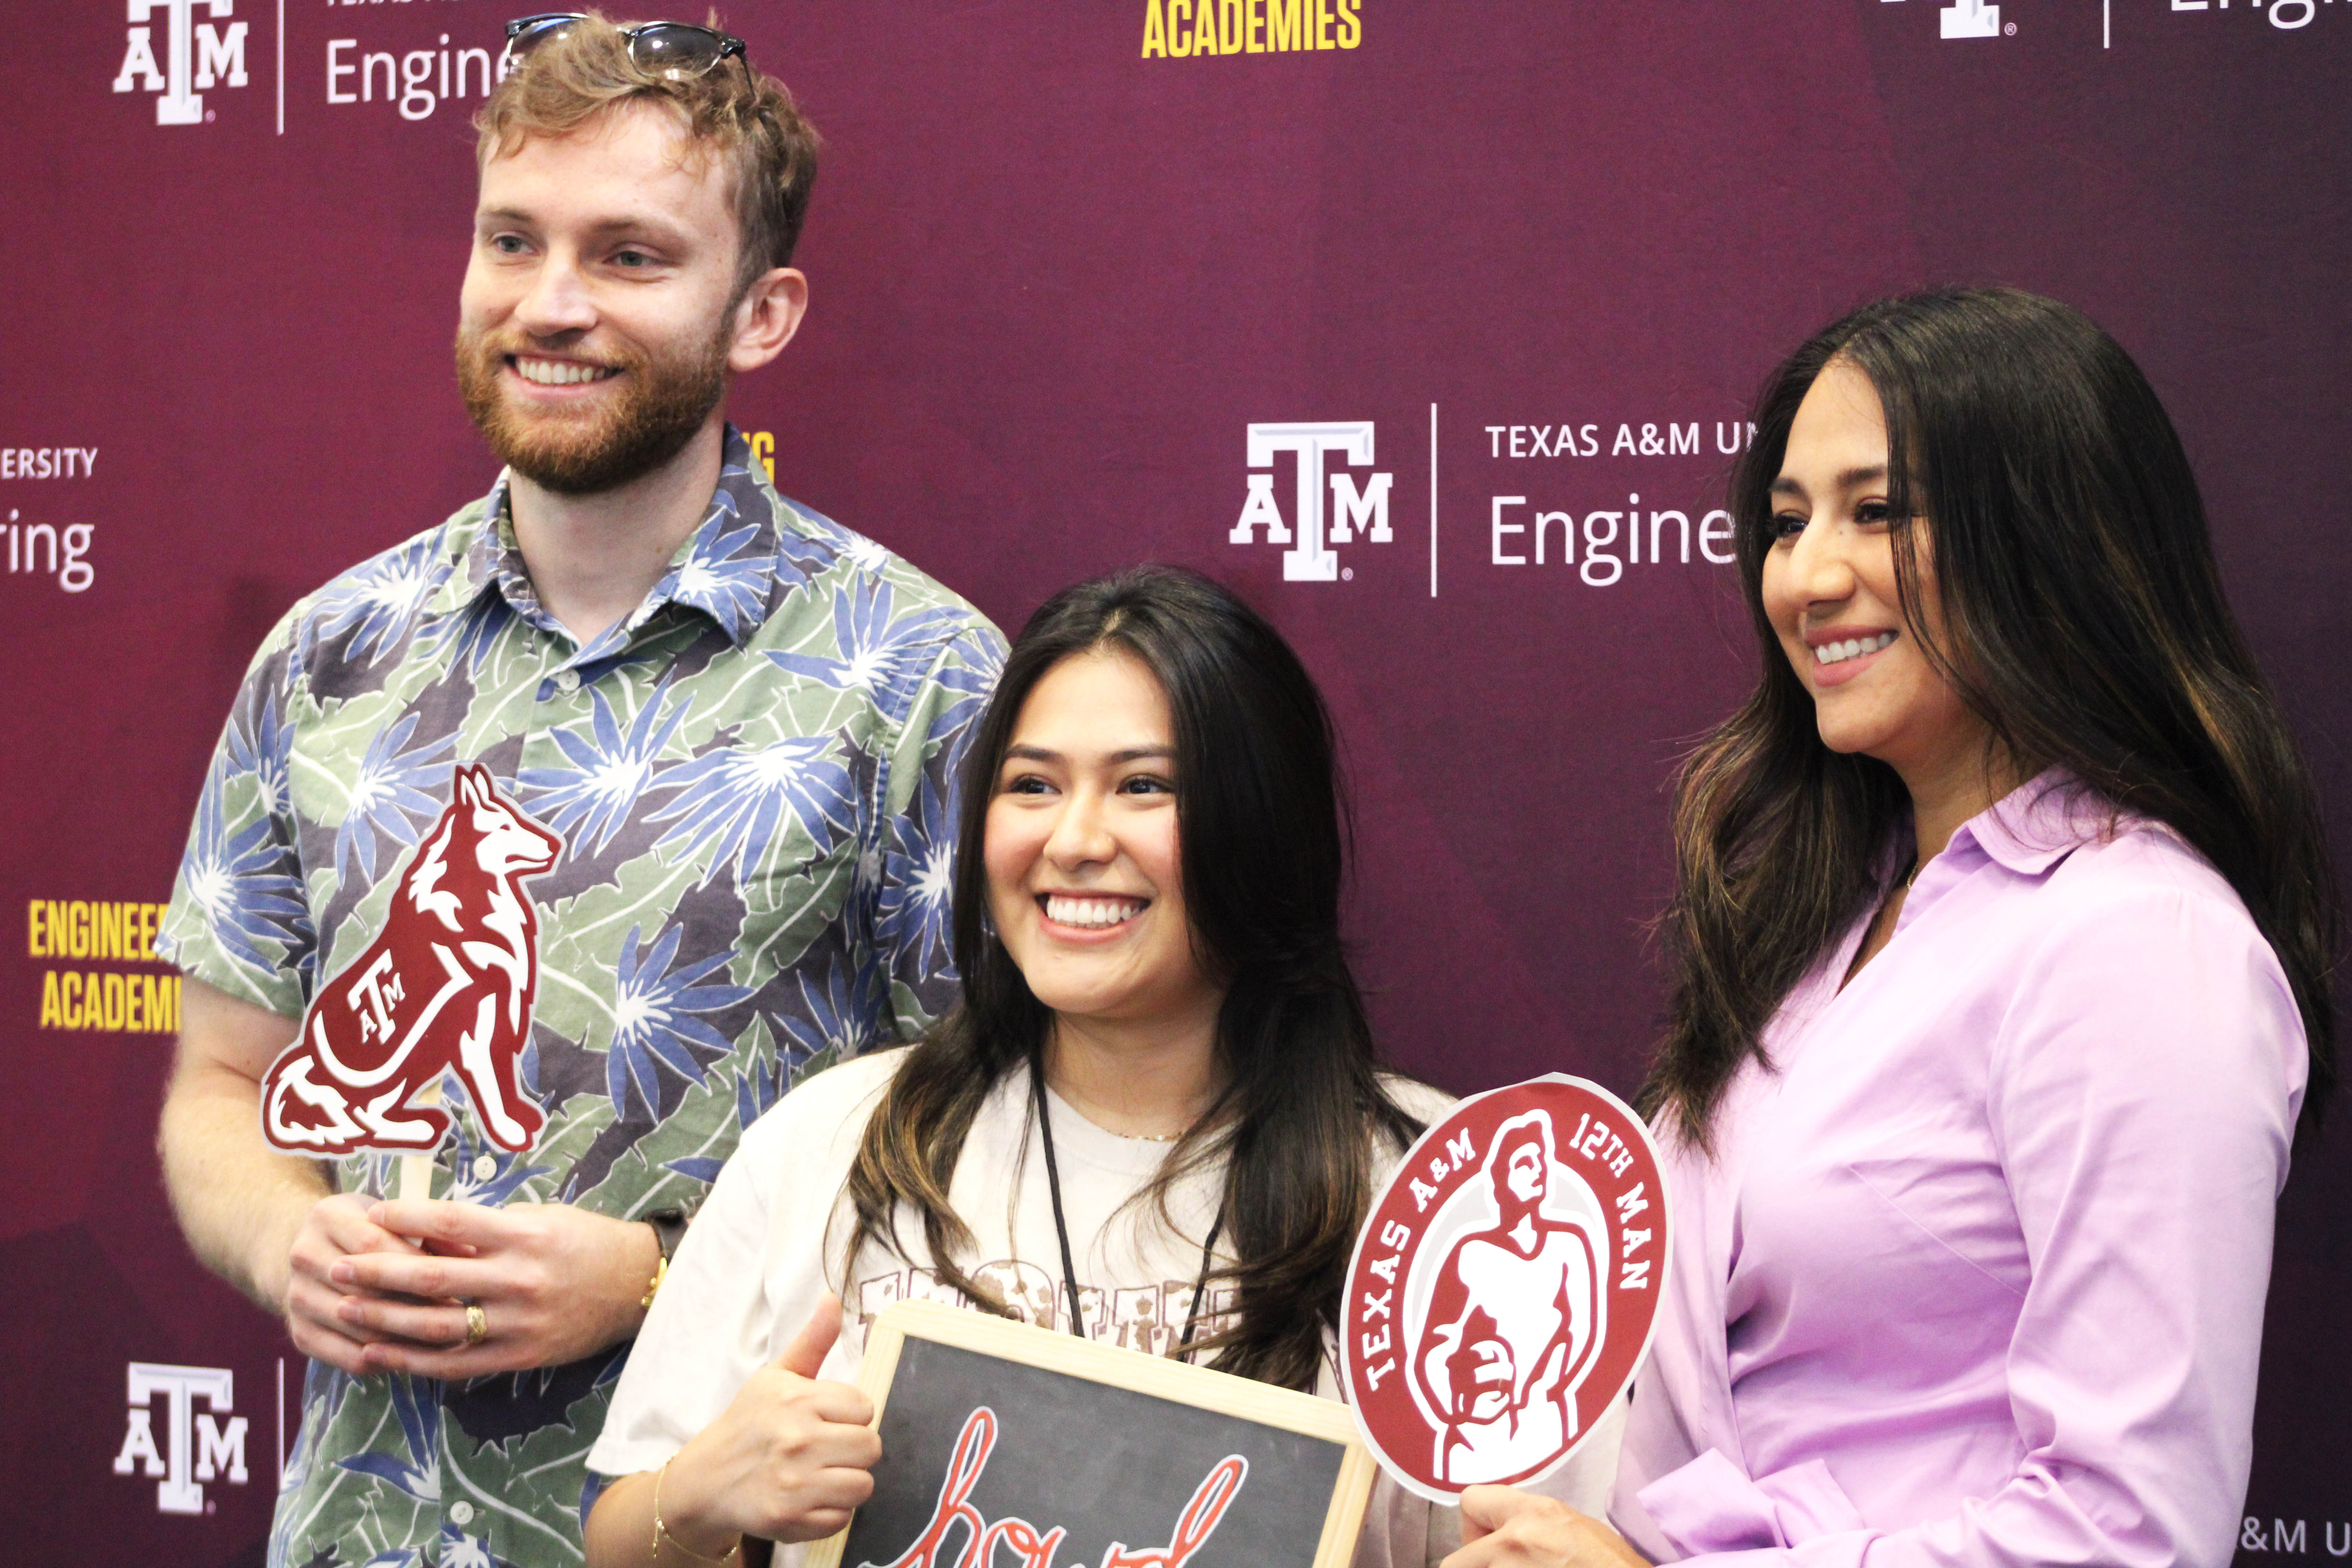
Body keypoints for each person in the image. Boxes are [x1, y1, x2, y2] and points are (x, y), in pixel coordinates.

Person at [152, 15, 1004, 1567]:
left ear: (762, 311)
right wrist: (292, 1241)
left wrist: (657, 1277)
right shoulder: (325, 658)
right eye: (513, 240)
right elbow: (221, 1087)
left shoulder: (921, 676)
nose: (551, 304)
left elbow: (1010, 1170)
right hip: (362, 1529)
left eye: (627, 255)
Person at [1441, 287, 2340, 1568]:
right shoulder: (1830, 924)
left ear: (2055, 536)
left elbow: (2129, 1536)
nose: (1811, 575)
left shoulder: (2140, 944)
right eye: (1788, 521)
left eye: (1881, 512)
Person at [579, 567, 1623, 1568]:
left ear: (1262, 822)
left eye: (1144, 787)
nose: (1074, 839)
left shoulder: (1439, 1200)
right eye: (1031, 784)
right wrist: (704, 1499)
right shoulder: (833, 1142)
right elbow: (622, 1539)